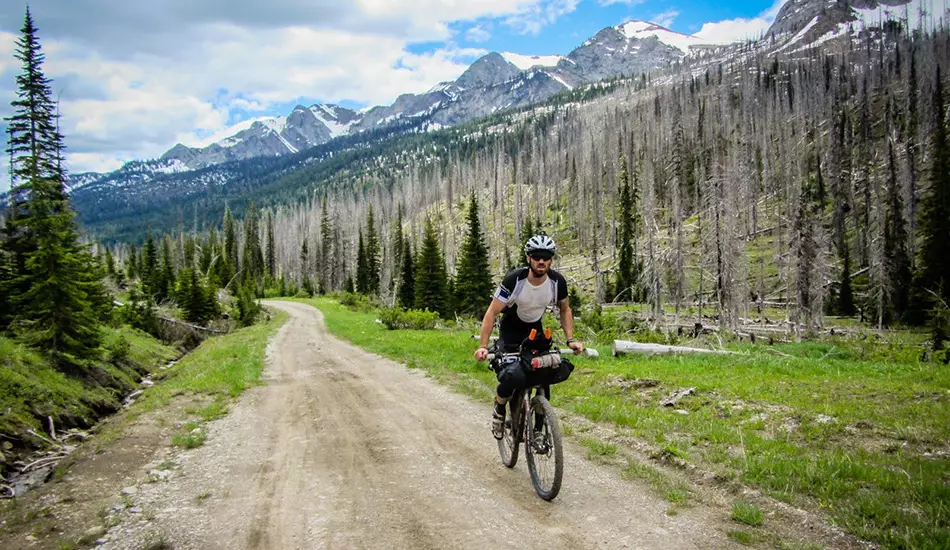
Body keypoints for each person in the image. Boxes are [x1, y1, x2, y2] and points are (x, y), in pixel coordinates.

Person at [474, 234, 584, 439]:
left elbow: (565, 309)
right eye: (536, 256)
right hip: (511, 330)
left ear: (552, 259)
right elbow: (492, 312)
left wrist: (571, 339)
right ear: (529, 258)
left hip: (535, 330)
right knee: (511, 375)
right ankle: (499, 407)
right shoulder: (515, 280)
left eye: (546, 256)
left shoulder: (557, 282)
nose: (541, 261)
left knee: (544, 371)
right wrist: (483, 345)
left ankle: (539, 430)